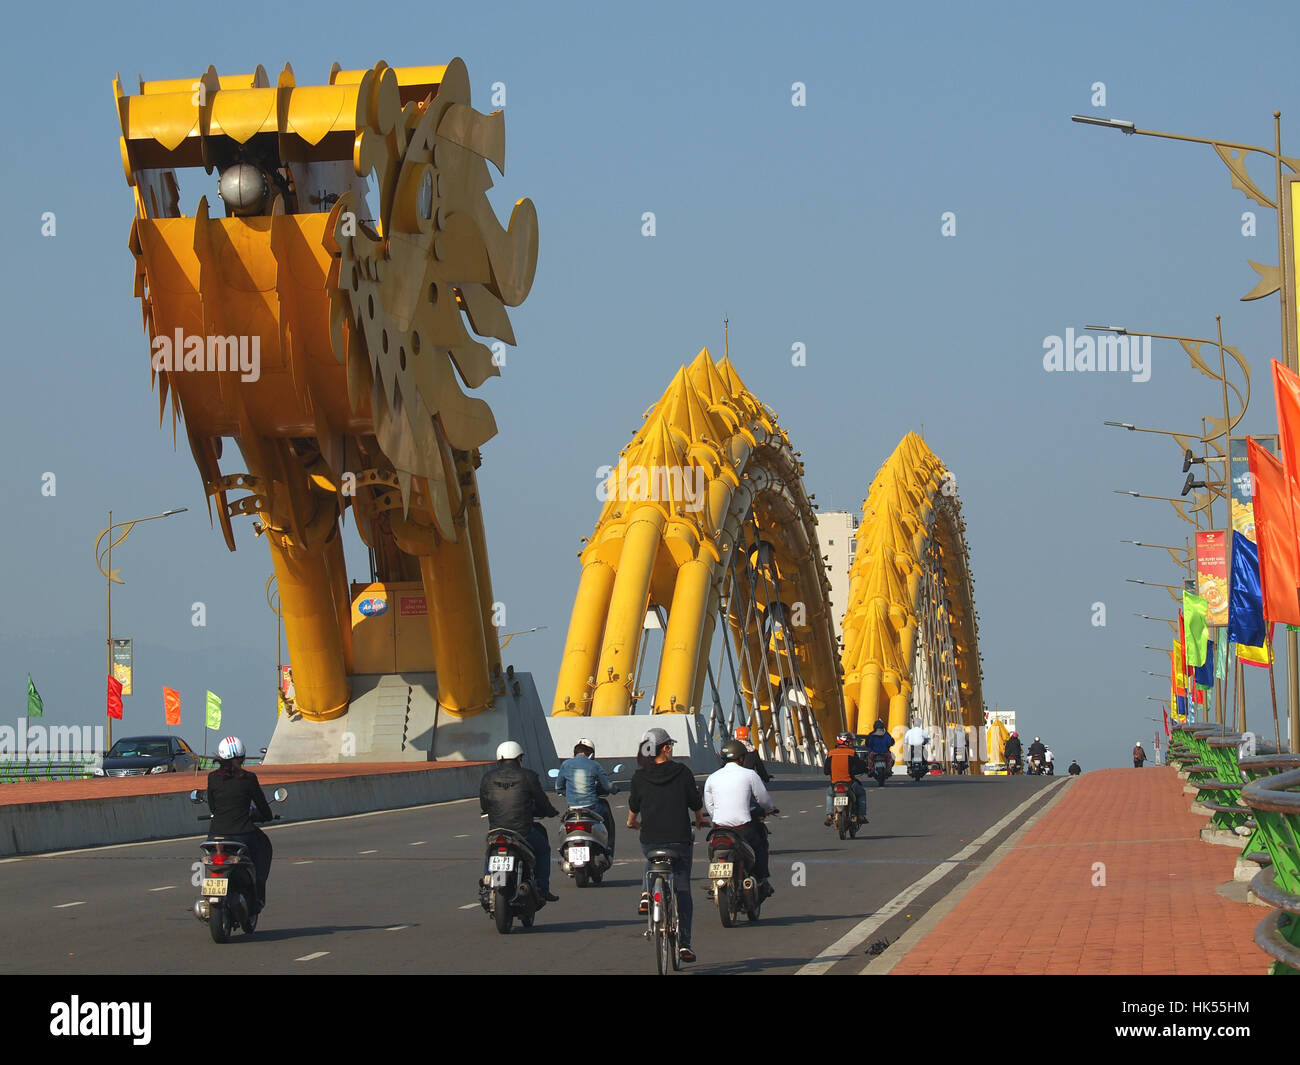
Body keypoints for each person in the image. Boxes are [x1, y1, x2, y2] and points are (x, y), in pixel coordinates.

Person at [628, 727, 705, 964]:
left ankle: (647, 893)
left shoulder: (639, 776)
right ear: (666, 748)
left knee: (651, 857)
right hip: (679, 840)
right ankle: (684, 944)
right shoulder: (682, 772)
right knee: (682, 889)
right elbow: (695, 803)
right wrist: (700, 819)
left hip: (650, 840)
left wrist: (633, 823)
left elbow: (633, 811)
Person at [480, 740, 560, 903]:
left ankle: (486, 887)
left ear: (499, 758)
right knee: (543, 849)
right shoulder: (529, 776)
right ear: (518, 758)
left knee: (490, 852)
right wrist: (550, 812)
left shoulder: (487, 777)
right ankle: (543, 889)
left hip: (496, 831)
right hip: (522, 831)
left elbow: (484, 805)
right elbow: (542, 801)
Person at [205, 736, 274, 912]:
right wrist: (263, 816)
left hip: (216, 835)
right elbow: (265, 811)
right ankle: (257, 893)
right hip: (243, 835)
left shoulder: (212, 778)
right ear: (242, 757)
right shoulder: (249, 778)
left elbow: (213, 806)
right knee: (263, 846)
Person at [704, 740, 777, 898]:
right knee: (760, 844)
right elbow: (763, 799)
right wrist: (770, 809)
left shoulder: (712, 778)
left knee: (714, 850)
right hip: (742, 829)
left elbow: (710, 805)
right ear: (742, 758)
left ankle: (715, 881)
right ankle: (760, 878)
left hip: (719, 828)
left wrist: (718, 818)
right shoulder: (750, 775)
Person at [555, 737, 616, 859]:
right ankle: (608, 846)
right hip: (592, 808)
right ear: (591, 753)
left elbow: (558, 787)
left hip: (572, 809)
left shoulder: (565, 765)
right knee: (607, 816)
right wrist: (615, 790)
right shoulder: (594, 765)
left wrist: (570, 793)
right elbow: (608, 786)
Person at [823, 731, 870, 825]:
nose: (852, 743)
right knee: (861, 793)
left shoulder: (831, 753)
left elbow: (826, 771)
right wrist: (865, 769)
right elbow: (860, 767)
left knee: (829, 794)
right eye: (851, 741)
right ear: (846, 742)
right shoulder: (851, 753)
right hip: (849, 784)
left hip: (835, 784)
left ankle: (829, 815)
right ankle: (861, 816)